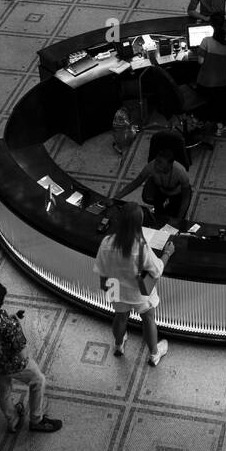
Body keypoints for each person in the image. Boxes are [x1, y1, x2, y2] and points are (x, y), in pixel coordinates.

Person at [0, 278, 62, 435]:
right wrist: (16, 324)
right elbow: (22, 353)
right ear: (0, 302)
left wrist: (9, 319)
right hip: (14, 364)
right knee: (38, 380)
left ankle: (13, 420)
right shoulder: (9, 326)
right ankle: (36, 420)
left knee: (4, 391)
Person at [94, 202, 171, 365]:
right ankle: (154, 354)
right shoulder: (141, 246)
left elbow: (101, 269)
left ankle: (118, 345)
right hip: (139, 292)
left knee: (120, 317)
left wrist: (106, 288)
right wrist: (167, 254)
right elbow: (157, 270)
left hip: (115, 289)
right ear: (139, 224)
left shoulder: (107, 242)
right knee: (148, 319)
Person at [112, 149, 193, 226]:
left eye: (160, 163)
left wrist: (179, 218)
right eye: (156, 160)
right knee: (158, 217)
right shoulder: (151, 166)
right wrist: (116, 198)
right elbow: (135, 183)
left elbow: (186, 197)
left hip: (177, 194)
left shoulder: (180, 172)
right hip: (161, 190)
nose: (156, 165)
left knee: (173, 219)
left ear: (170, 164)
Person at [195, 12, 226, 134]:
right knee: (219, 102)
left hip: (204, 82)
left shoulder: (205, 41)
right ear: (224, 23)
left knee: (205, 99)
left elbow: (200, 61)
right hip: (222, 82)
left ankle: (200, 119)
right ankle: (220, 125)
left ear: (211, 24)